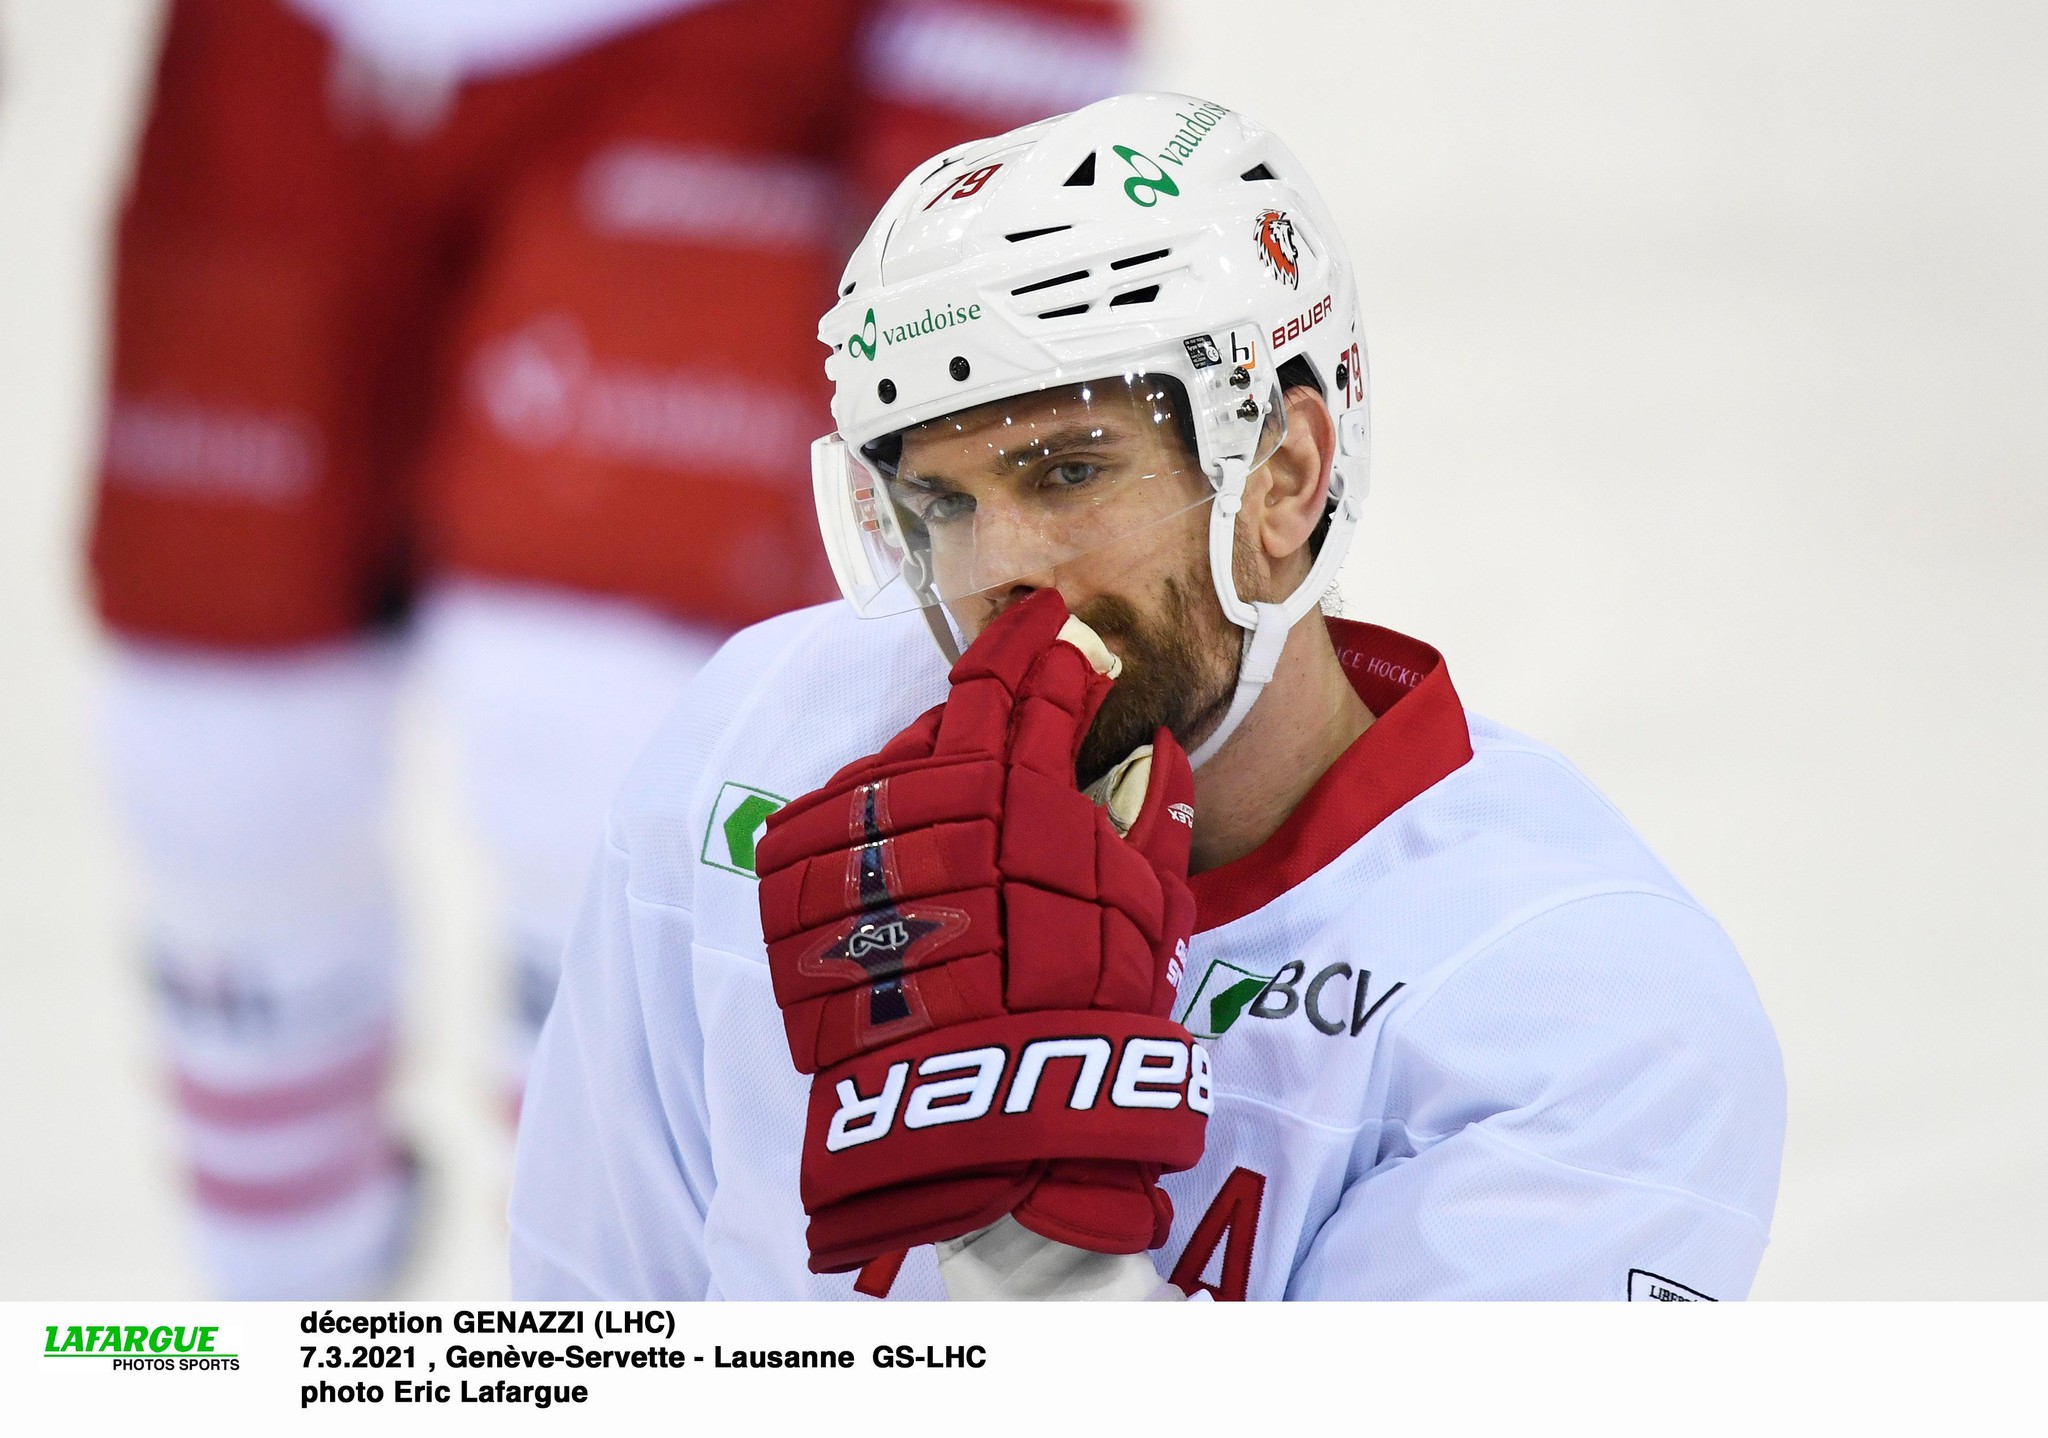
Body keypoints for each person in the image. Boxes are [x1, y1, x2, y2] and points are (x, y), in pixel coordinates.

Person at [507, 92, 1786, 1301]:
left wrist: (1035, 1256)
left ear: (1283, 476)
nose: (993, 567)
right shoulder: (758, 748)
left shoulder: (1589, 1015)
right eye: (940, 503)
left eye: (1065, 472)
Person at [88, 0, 1135, 1298]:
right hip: (278, 62)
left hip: (703, 56)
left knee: (589, 735)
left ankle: (627, 1325)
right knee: (221, 761)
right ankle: (277, 1324)